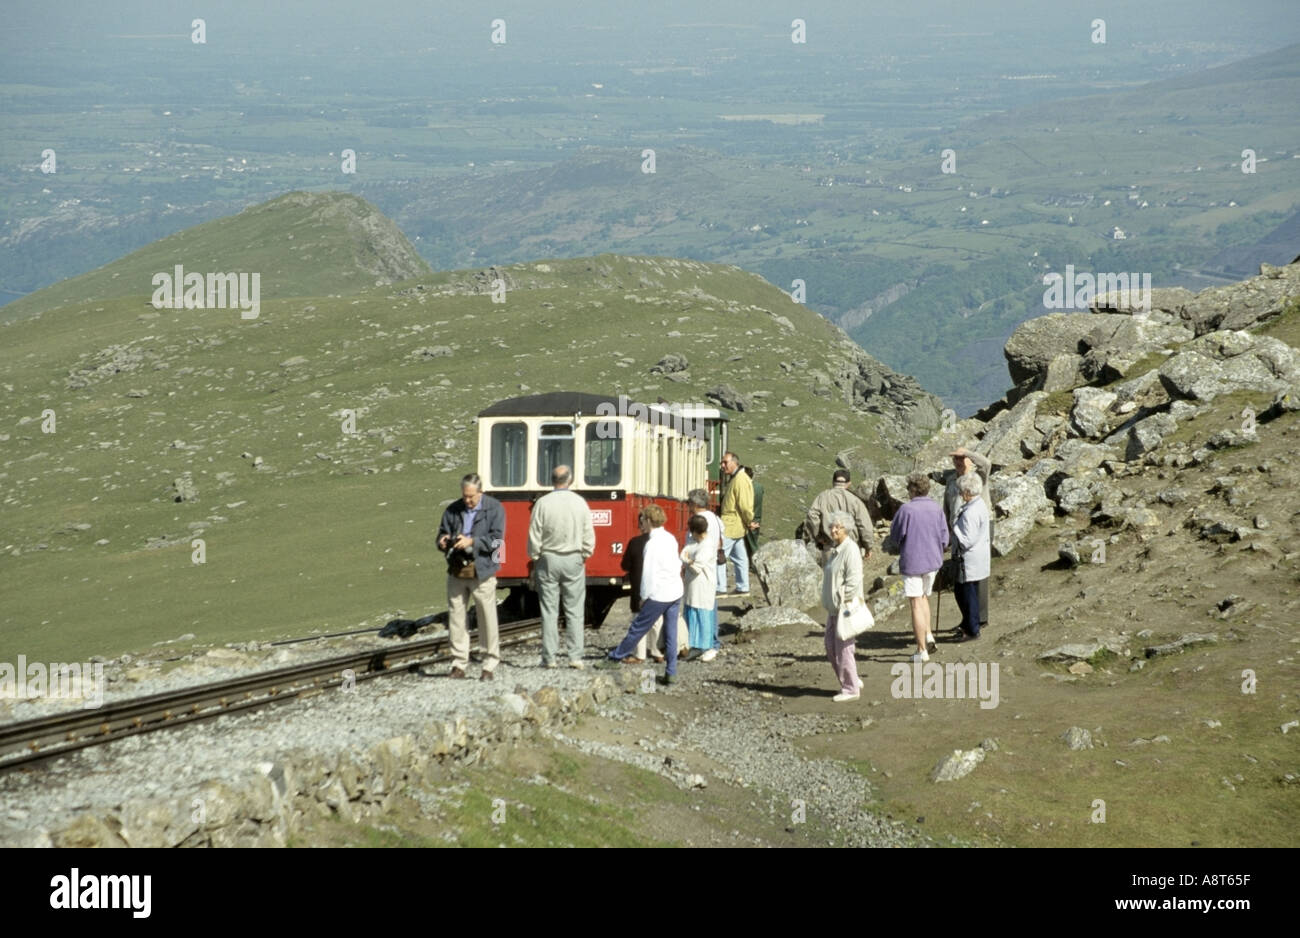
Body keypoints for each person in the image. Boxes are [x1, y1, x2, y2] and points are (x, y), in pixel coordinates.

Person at [598, 504, 684, 684]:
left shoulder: (651, 544)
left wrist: (643, 597)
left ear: (650, 521)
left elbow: (648, 574)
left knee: (638, 627)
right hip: (675, 590)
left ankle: (614, 658)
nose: (641, 524)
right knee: (671, 631)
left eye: (643, 520)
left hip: (659, 593)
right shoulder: (670, 538)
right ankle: (671, 671)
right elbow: (677, 564)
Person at [436, 474, 505, 681]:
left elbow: (498, 541)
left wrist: (472, 542)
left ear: (480, 492)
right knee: (456, 617)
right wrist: (443, 540)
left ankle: (489, 663)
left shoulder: (494, 509)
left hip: (482, 569)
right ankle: (459, 663)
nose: (467, 500)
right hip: (457, 569)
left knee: (487, 617)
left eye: (471, 497)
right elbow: (440, 533)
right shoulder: (453, 510)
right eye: (465, 496)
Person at [527, 465, 596, 669]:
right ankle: (575, 656)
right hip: (573, 558)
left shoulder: (542, 503)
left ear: (551, 480)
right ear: (570, 479)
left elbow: (534, 535)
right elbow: (588, 534)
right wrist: (585, 553)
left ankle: (550, 658)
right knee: (574, 610)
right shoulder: (580, 503)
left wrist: (535, 556)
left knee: (549, 610)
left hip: (548, 558)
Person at [888, 471, 949, 662]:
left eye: (908, 488)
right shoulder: (937, 509)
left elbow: (896, 536)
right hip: (933, 561)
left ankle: (921, 650)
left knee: (915, 603)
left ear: (913, 489)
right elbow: (945, 538)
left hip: (913, 562)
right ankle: (929, 634)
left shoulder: (906, 510)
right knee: (924, 598)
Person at [944, 446, 992, 631]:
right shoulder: (951, 481)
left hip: (978, 525)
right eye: (955, 459)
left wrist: (968, 453)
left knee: (976, 573)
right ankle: (969, 618)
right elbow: (947, 505)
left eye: (961, 459)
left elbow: (987, 463)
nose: (957, 462)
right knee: (963, 576)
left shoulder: (979, 475)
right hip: (957, 529)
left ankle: (980, 618)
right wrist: (947, 529)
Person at [820, 512, 865, 702]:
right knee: (830, 646)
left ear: (845, 528)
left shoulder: (850, 549)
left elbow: (854, 580)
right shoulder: (836, 549)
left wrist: (843, 602)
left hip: (844, 608)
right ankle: (851, 679)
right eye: (831, 527)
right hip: (834, 608)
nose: (833, 530)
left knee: (844, 648)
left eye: (837, 527)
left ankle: (850, 688)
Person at [951, 472, 990, 642]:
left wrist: (954, 529)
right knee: (969, 592)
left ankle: (972, 629)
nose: (960, 495)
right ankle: (968, 623)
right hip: (978, 557)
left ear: (967, 492)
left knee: (966, 594)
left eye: (961, 491)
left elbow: (967, 540)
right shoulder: (979, 504)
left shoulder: (970, 513)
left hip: (968, 560)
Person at [806, 468, 875, 560]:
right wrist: (868, 547)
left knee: (830, 574)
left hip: (829, 547)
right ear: (849, 483)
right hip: (850, 548)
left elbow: (812, 515)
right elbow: (865, 526)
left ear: (833, 482)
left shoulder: (822, 497)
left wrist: (818, 537)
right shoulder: (855, 500)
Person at [687, 488, 723, 658]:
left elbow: (694, 545)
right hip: (710, 566)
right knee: (708, 606)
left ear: (694, 504)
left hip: (701, 569)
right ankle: (708, 642)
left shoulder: (699, 521)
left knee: (702, 607)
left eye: (689, 503)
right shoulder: (715, 518)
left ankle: (706, 643)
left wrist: (687, 560)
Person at [716, 451, 757, 596]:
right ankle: (743, 586)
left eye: (725, 462)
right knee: (740, 557)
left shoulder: (740, 479)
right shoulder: (737, 478)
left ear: (734, 462)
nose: (722, 465)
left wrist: (749, 521)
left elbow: (745, 505)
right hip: (735, 524)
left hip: (731, 524)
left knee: (719, 555)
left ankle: (720, 588)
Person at [681, 514, 718, 662]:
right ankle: (692, 643)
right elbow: (685, 552)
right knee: (691, 611)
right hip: (691, 585)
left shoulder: (707, 544)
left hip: (703, 585)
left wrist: (687, 560)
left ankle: (705, 646)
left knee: (702, 614)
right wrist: (688, 559)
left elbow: (696, 567)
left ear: (697, 531)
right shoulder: (693, 541)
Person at [743, 465, 763, 570]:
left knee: (751, 544)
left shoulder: (747, 488)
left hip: (749, 519)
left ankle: (755, 565)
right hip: (757, 517)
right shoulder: (759, 487)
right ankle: (752, 564)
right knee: (753, 541)